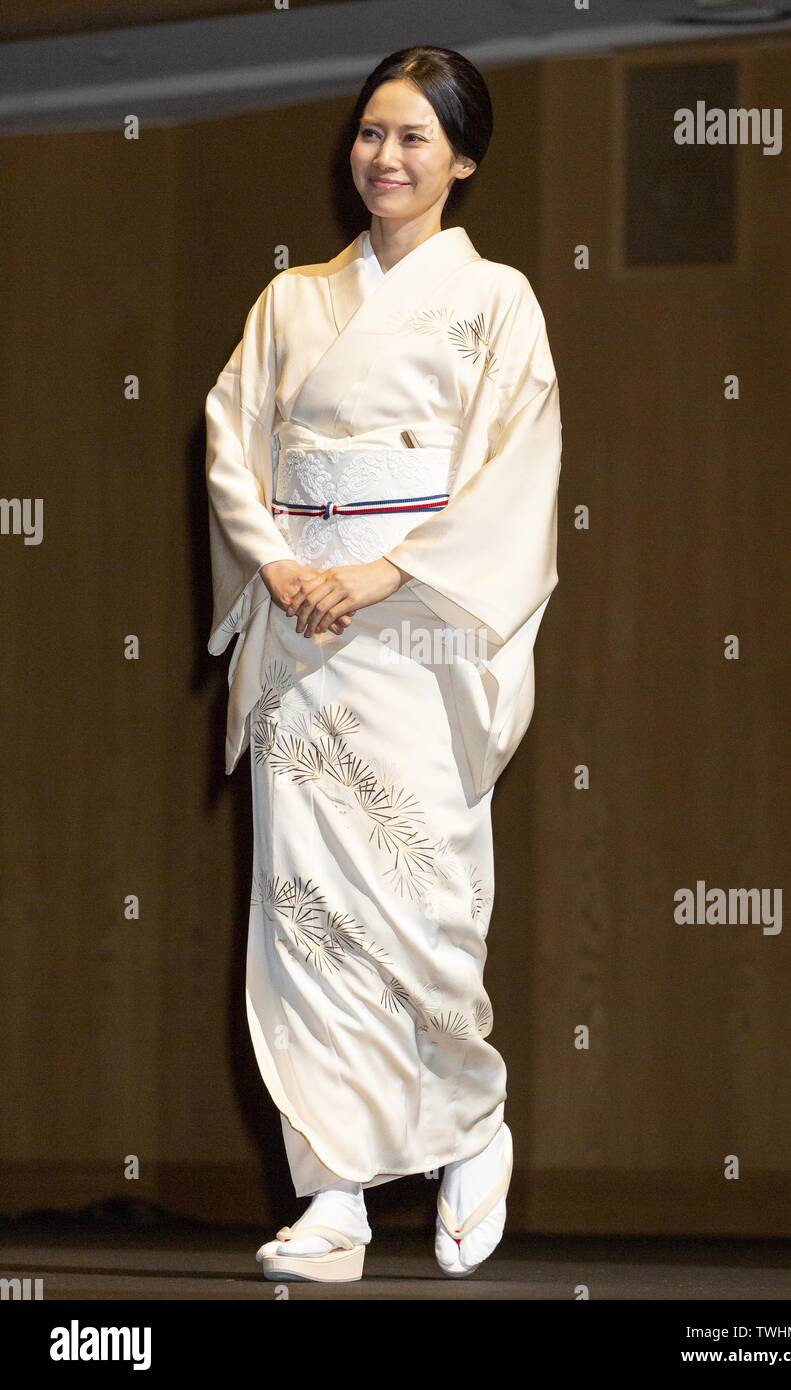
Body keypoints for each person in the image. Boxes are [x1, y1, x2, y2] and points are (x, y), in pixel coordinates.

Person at [204, 44, 561, 1283]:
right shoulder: (291, 299)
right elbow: (228, 442)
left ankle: (470, 1125)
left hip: (413, 628)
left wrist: (374, 574)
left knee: (419, 903)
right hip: (302, 624)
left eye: (414, 138)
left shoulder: (497, 298)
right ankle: (336, 1199)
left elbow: (513, 473)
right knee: (305, 920)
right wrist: (282, 564)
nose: (385, 158)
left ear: (460, 158)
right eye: (370, 133)